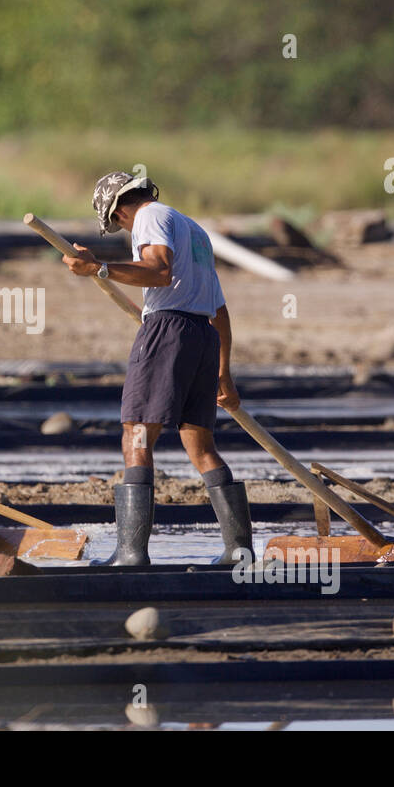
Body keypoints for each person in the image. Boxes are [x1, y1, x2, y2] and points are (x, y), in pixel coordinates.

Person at [63, 171, 253, 566]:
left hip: (167, 330)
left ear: (119, 210)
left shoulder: (148, 217)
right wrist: (223, 373)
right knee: (201, 448)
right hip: (203, 335)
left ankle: (132, 554)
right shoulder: (193, 229)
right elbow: (218, 307)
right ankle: (239, 551)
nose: (122, 228)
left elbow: (158, 271)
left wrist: (99, 268)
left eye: (117, 223)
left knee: (136, 434)